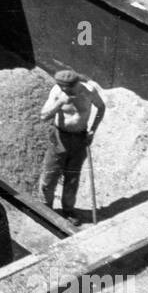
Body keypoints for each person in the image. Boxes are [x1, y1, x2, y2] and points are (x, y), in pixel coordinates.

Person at [38, 69, 107, 222]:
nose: (64, 90)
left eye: (67, 88)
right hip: (59, 137)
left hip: (80, 139)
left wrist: (93, 130)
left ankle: (68, 210)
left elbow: (101, 107)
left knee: (72, 178)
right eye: (62, 87)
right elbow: (43, 116)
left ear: (75, 84)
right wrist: (60, 102)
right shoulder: (57, 92)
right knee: (50, 175)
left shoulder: (89, 91)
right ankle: (45, 209)